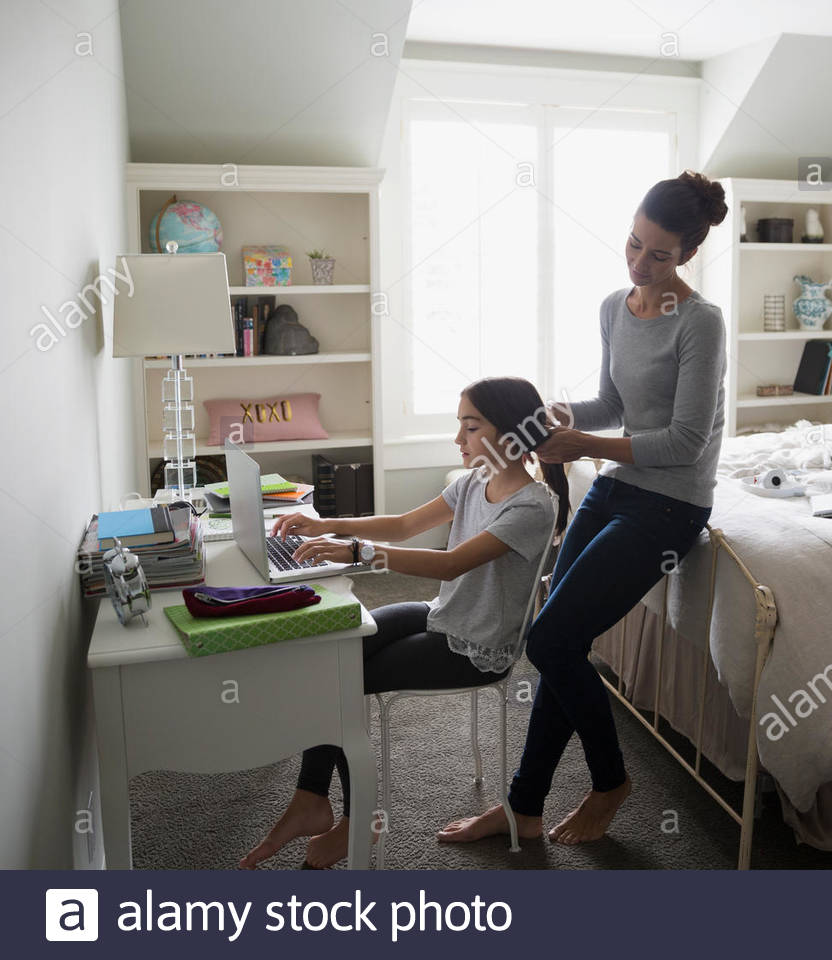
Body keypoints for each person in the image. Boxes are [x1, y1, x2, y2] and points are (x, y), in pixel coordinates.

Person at [438, 170, 729, 846]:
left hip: (670, 505)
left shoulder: (701, 324)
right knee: (557, 635)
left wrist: (584, 442)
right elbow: (615, 405)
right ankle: (524, 808)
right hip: (619, 489)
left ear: (686, 254)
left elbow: (686, 440)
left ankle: (609, 783)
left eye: (658, 255)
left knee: (548, 640)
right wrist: (555, 418)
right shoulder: (612, 308)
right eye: (633, 244)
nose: (639, 264)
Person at [238, 376, 567, 869]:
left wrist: (358, 553)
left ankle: (353, 819)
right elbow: (404, 526)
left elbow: (450, 563)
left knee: (340, 682)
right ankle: (313, 801)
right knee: (336, 651)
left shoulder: (531, 506)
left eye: (471, 427)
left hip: (475, 649)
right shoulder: (473, 481)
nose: (458, 439)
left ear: (511, 435)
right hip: (442, 617)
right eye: (459, 426)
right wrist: (329, 523)